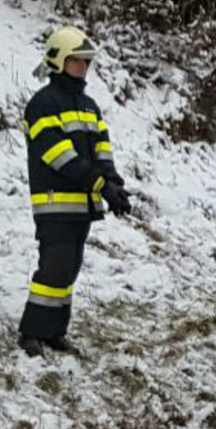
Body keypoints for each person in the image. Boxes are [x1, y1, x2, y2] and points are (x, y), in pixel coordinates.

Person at [18, 26, 131, 356]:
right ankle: (31, 332)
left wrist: (114, 185)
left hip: (82, 204)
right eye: (76, 60)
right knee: (54, 267)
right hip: (54, 203)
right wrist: (100, 184)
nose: (82, 67)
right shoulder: (42, 104)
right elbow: (60, 156)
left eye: (86, 62)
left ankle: (54, 331)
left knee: (69, 269)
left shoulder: (89, 106)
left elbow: (102, 151)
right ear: (58, 61)